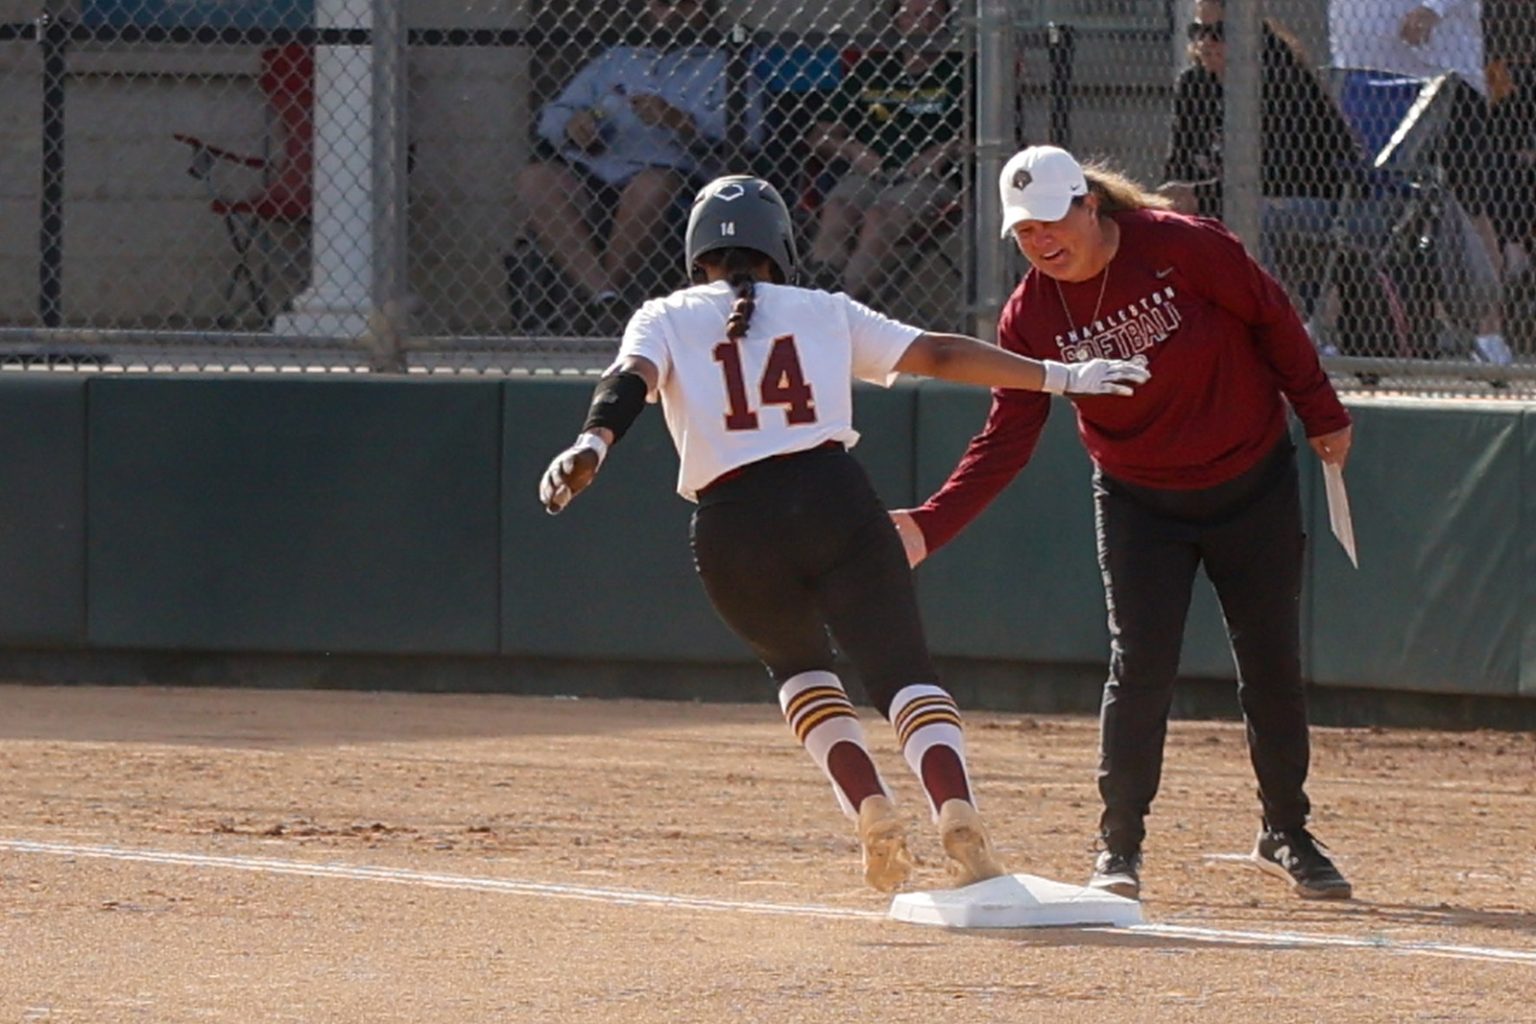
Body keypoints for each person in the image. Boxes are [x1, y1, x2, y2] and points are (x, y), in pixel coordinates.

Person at [536, 174, 1149, 893]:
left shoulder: (664, 315)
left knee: (802, 674)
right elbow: (942, 355)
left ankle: (871, 809)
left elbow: (629, 381)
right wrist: (1063, 375)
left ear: (696, 250)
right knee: (905, 674)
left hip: (733, 524)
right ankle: (955, 808)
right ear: (780, 246)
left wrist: (592, 446)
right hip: (834, 499)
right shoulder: (822, 309)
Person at [889, 145, 1356, 902]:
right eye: (1024, 233)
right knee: (1140, 667)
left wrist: (1324, 413)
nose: (1041, 242)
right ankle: (1120, 844)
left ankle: (1286, 830)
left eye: (1051, 222)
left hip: (1252, 480)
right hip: (1141, 500)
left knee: (1271, 662)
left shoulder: (1183, 245)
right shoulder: (1030, 315)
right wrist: (930, 525)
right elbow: (1008, 435)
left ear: (1089, 206)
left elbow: (1272, 318)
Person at [516, 0, 763, 332]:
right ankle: (604, 297)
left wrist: (681, 122)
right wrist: (573, 124)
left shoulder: (727, 64)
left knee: (651, 186)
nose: (672, 13)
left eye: (686, 5)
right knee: (537, 179)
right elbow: (554, 115)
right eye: (662, 5)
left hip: (674, 175)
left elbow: (750, 133)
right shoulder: (617, 59)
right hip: (597, 169)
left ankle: (603, 302)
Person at [1328, 0, 1512, 364]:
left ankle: (1489, 334)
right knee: (1349, 202)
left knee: (1465, 206)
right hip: (1361, 83)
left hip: (1443, 78)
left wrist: (1433, 8)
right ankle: (1330, 331)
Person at [1160, 0, 1362, 316]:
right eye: (1197, 32)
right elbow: (1177, 165)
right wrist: (1176, 194)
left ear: (1247, 34)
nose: (1205, 44)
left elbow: (1280, 175)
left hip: (1311, 201)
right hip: (1228, 197)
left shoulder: (1282, 79)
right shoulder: (1193, 85)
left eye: (1219, 33)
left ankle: (1273, 323)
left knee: (1254, 219)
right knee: (1158, 219)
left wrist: (1201, 194)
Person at [798, 0, 966, 303]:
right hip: (869, 171)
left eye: (932, 14)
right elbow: (819, 135)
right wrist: (851, 149)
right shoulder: (872, 68)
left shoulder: (961, 71)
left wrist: (946, 149)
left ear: (946, 21)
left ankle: (837, 306)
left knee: (881, 215)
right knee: (838, 209)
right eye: (913, 14)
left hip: (927, 179)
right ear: (896, 20)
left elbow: (986, 136)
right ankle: (819, 295)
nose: (923, 23)